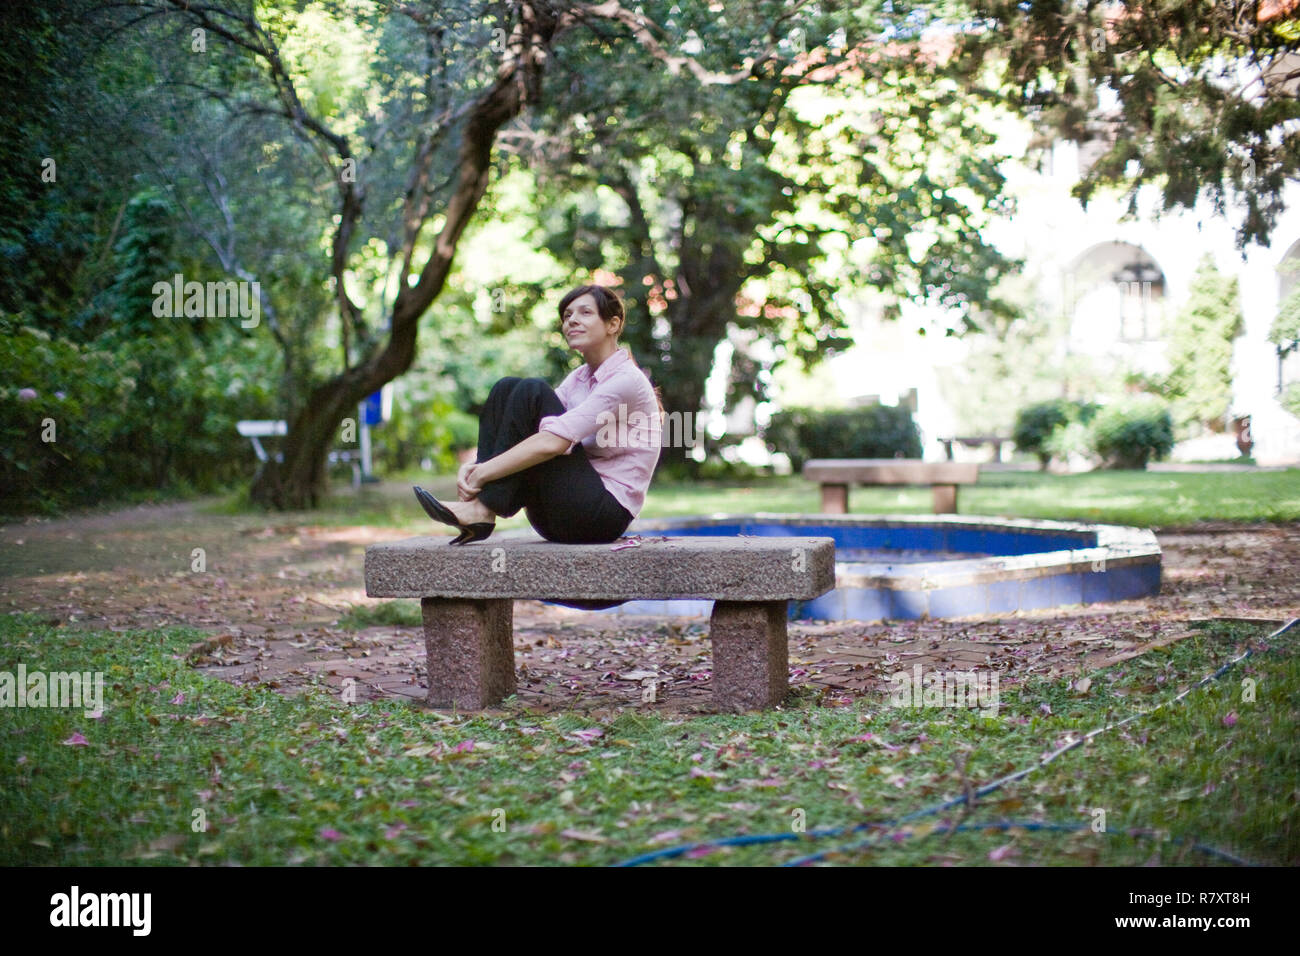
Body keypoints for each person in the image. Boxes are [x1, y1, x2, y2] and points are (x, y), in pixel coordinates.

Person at [414, 283, 663, 546]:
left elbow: (553, 441)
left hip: (598, 517)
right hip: (555, 515)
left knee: (531, 390)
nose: (572, 321)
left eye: (585, 313)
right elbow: (528, 425)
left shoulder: (626, 380)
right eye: (567, 316)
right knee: (506, 388)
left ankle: (482, 510)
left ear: (613, 324)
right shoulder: (579, 378)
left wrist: (482, 472)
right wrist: (478, 464)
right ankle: (480, 507)